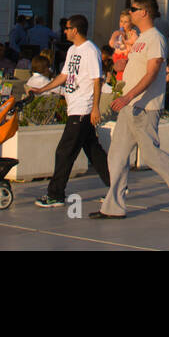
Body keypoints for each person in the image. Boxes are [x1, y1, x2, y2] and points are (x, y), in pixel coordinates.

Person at [92, 0, 169, 220]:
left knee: (151, 155)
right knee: (117, 156)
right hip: (130, 105)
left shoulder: (156, 39)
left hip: (145, 107)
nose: (129, 12)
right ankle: (113, 207)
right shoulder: (139, 39)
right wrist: (123, 65)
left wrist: (129, 95)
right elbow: (139, 67)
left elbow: (152, 72)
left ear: (144, 12)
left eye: (133, 9)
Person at [30, 15, 111, 208]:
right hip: (73, 106)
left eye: (67, 28)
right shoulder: (72, 50)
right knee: (94, 150)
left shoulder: (90, 51)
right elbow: (64, 76)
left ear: (75, 30)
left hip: (83, 108)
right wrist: (43, 89)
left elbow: (96, 81)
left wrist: (95, 108)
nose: (64, 31)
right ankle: (117, 185)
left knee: (64, 152)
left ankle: (55, 194)